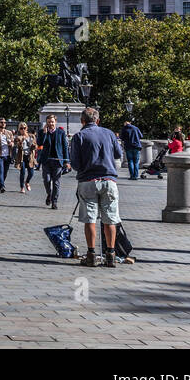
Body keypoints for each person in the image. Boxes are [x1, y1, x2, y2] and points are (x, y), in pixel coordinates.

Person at [69, 108, 124, 268]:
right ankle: (111, 254)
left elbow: (75, 164)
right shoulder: (109, 133)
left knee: (90, 219)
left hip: (88, 181)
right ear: (98, 120)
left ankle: (91, 254)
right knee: (110, 219)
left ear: (82, 121)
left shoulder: (79, 136)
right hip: (109, 180)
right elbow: (118, 154)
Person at [37, 114, 70, 209]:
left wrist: (67, 161)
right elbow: (40, 143)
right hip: (46, 161)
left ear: (55, 122)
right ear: (46, 123)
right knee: (46, 180)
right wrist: (44, 132)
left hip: (58, 161)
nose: (50, 124)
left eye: (52, 122)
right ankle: (49, 194)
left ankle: (54, 201)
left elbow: (65, 147)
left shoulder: (61, 132)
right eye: (48, 122)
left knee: (56, 183)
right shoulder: (42, 132)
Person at [13, 122, 37, 194]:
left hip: (30, 156)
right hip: (22, 157)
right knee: (22, 172)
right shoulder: (18, 137)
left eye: (24, 128)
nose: (23, 129)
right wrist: (20, 141)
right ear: (19, 129)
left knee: (31, 173)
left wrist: (34, 146)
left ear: (27, 128)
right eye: (21, 128)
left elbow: (35, 145)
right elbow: (16, 145)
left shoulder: (31, 136)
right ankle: (22, 187)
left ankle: (27, 182)